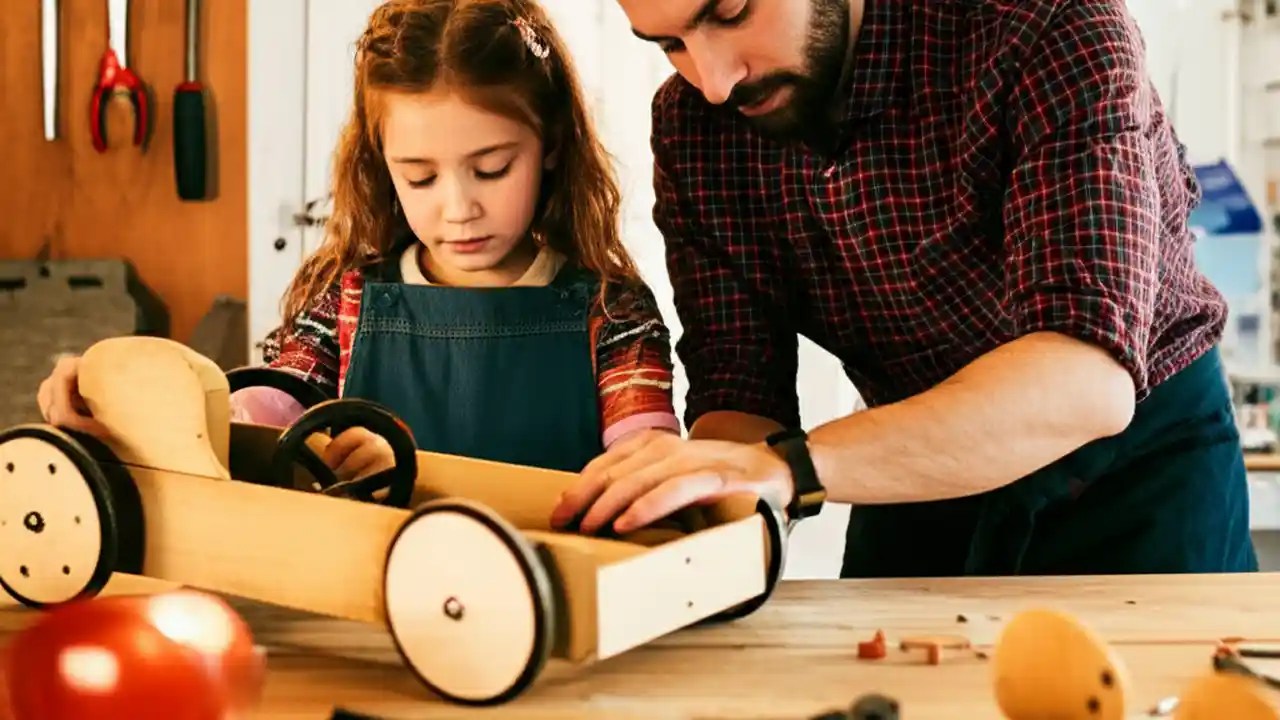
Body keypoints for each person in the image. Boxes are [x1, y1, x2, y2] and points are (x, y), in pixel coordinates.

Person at [552, 0, 1260, 577]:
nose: (713, 79)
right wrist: (706, 514)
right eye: (668, 44)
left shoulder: (1047, 24)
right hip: (912, 465)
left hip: (1138, 471)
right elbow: (738, 398)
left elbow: (1084, 377)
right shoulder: (694, 127)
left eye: (732, 13)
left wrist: (788, 468)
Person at [37, 0, 680, 481]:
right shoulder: (345, 300)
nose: (458, 208)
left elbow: (644, 473)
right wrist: (122, 399)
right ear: (381, 163)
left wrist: (418, 473)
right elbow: (252, 417)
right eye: (419, 176)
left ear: (552, 147)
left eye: (491, 169)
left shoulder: (612, 311)